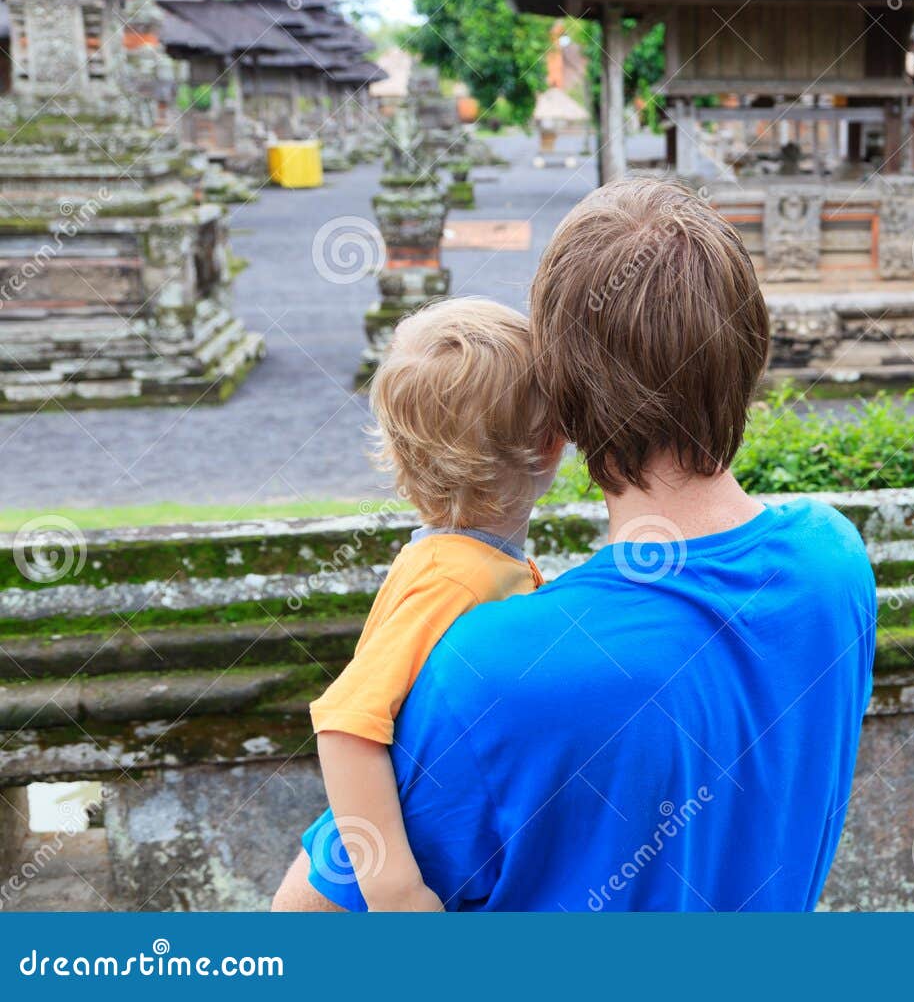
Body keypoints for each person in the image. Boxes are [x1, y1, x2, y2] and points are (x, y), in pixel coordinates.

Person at [274, 177, 876, 912]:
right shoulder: (833, 564)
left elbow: (305, 915)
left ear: (559, 402)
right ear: (752, 351)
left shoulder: (493, 669)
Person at [297, 297, 561, 911]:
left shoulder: (463, 560)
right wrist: (397, 892)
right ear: (552, 444)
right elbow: (345, 721)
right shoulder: (456, 577)